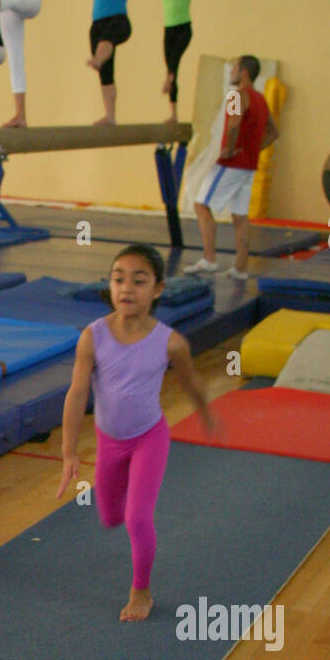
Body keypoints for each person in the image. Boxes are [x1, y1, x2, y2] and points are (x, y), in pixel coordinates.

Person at [57, 244, 214, 622]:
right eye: (118, 279)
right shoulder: (93, 337)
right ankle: (125, 498)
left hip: (149, 437)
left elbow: (191, 381)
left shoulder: (171, 342)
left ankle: (141, 592)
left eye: (138, 281)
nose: (126, 288)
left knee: (137, 517)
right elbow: (77, 394)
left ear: (158, 289)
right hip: (110, 442)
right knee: (111, 516)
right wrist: (68, 452)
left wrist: (208, 414)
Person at [42, 0, 202, 123]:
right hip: (97, 23)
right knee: (106, 74)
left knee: (104, 44)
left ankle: (98, 59)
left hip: (118, 22)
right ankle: (110, 115)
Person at [184, 55, 279, 281]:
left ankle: (209, 259)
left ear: (244, 72)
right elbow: (274, 133)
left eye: (234, 69)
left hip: (232, 163)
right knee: (240, 217)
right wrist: (253, 149)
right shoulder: (260, 99)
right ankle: (240, 268)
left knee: (201, 205)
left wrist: (228, 148)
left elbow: (234, 122)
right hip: (248, 165)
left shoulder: (237, 95)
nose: (231, 73)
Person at [143, 0, 257, 119]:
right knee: (172, 68)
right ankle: (173, 112)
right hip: (168, 31)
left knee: (173, 64)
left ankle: (169, 78)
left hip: (183, 29)